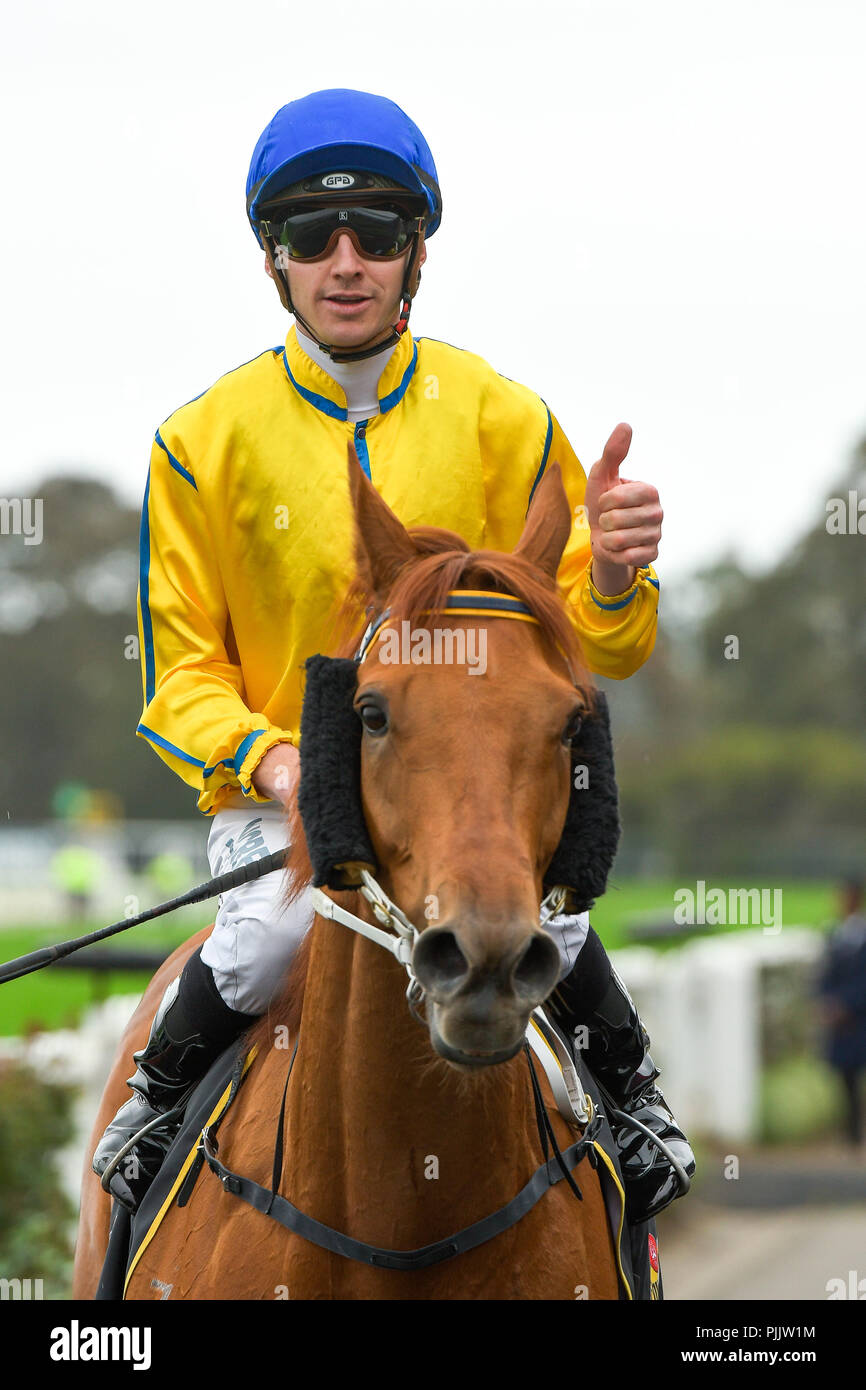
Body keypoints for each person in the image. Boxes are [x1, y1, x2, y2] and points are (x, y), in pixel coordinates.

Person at [93, 88, 694, 1222]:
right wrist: (277, 765)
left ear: (416, 250)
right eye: (311, 237)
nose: (346, 259)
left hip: (471, 804)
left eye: (376, 229)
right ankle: (153, 1114)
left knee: (550, 926)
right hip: (287, 809)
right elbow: (179, 679)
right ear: (272, 259)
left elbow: (595, 645)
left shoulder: (506, 421)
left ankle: (633, 1101)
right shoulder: (198, 443)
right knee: (269, 934)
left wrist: (613, 579)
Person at [816, 879, 866, 1148]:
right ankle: (851, 1132)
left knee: (855, 1074)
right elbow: (826, 975)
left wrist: (847, 1004)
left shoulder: (861, 936)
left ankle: (855, 1132)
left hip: (858, 1019)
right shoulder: (835, 934)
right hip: (841, 1022)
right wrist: (827, 1002)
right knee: (845, 1077)